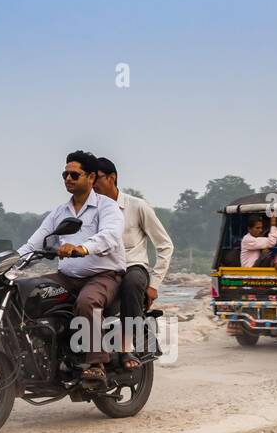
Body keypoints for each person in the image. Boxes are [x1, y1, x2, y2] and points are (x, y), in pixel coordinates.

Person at [15, 150, 124, 387]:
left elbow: (110, 236)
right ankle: (34, 357)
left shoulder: (107, 207)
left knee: (87, 302)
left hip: (103, 275)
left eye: (74, 174)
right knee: (23, 291)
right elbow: (36, 243)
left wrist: (83, 248)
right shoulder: (59, 213)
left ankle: (96, 364)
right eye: (65, 174)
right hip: (67, 276)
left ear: (91, 177)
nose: (68, 178)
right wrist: (10, 263)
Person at [91, 157, 174, 369]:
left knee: (131, 282)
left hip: (132, 266)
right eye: (90, 179)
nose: (92, 184)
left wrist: (154, 284)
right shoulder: (91, 211)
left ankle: (127, 347)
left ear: (112, 178)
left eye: (97, 178)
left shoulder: (137, 206)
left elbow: (165, 245)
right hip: (104, 269)